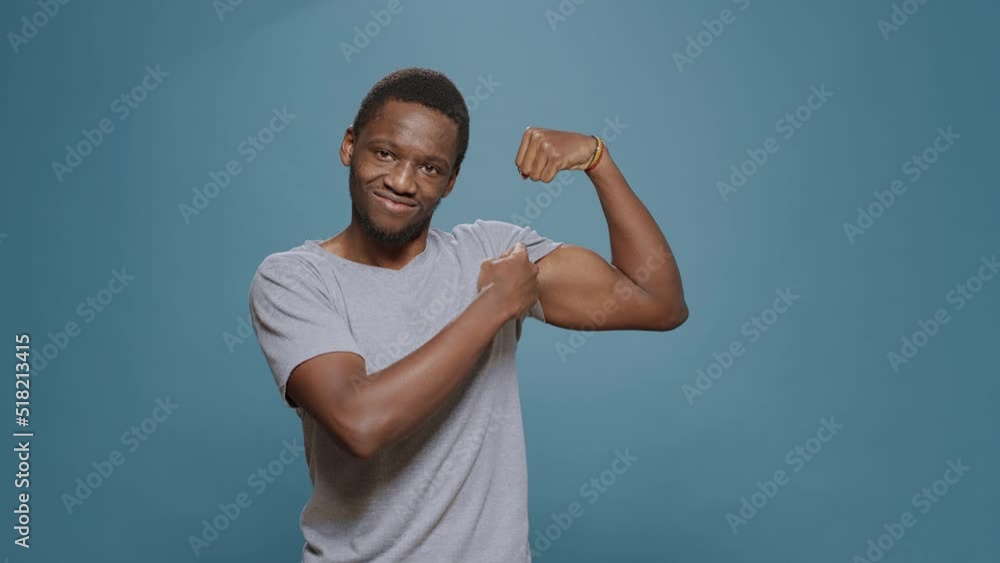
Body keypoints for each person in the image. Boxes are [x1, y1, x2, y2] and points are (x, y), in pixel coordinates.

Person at [248, 67, 687, 563]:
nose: (401, 181)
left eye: (430, 168)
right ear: (350, 146)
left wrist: (597, 159)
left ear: (451, 181)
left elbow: (658, 302)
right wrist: (494, 306)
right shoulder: (294, 279)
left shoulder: (492, 252)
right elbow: (359, 424)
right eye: (385, 153)